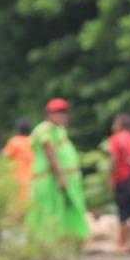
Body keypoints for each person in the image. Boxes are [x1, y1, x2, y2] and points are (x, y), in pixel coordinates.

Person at [26, 98, 88, 243]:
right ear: (50, 114)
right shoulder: (45, 128)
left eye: (65, 113)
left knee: (63, 210)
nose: (63, 117)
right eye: (59, 113)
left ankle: (64, 240)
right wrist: (60, 176)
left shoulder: (58, 130)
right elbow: (50, 151)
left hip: (60, 178)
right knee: (48, 210)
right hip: (49, 178)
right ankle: (44, 242)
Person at [108, 112, 130, 253]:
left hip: (123, 178)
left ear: (120, 124)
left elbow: (114, 159)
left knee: (123, 211)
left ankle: (121, 245)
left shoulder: (115, 139)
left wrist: (111, 177)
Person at [2, 119, 34, 205]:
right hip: (32, 177)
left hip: (16, 178)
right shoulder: (33, 141)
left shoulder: (14, 141)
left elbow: (5, 157)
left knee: (17, 204)